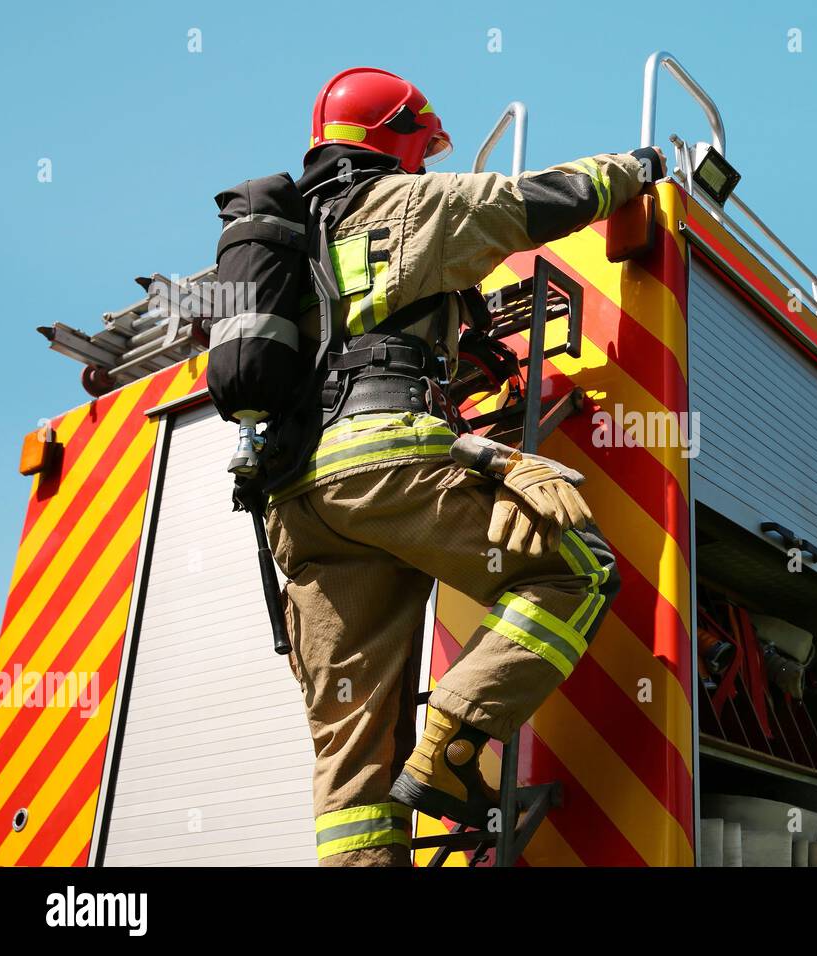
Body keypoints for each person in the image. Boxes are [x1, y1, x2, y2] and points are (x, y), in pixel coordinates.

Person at [263, 67, 663, 866]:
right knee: (575, 570)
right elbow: (541, 200)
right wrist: (637, 169)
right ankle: (450, 747)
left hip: (295, 498)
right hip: (384, 465)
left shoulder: (278, 250)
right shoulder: (408, 204)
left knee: (352, 738)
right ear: (401, 140)